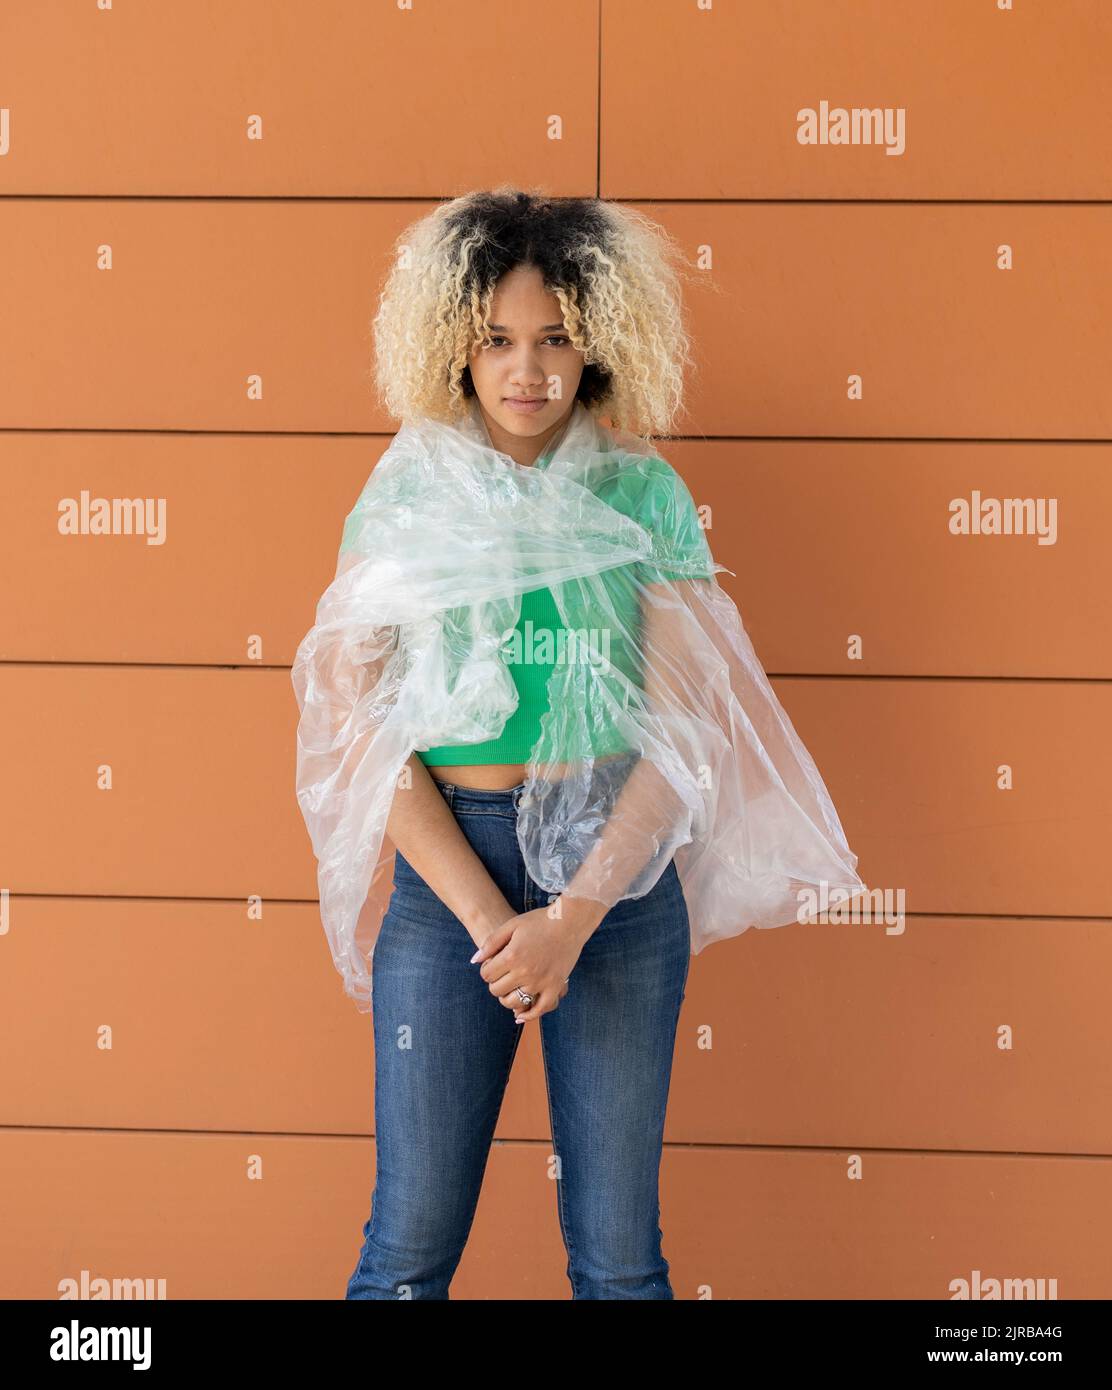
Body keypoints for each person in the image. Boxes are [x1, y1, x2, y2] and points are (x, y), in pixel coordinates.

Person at [291, 186, 866, 1299]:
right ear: (450, 347)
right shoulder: (406, 500)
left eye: (555, 337)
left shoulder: (644, 495)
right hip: (447, 883)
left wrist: (573, 919)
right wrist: (493, 921)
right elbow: (367, 738)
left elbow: (683, 730)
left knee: (616, 1260)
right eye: (497, 339)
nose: (527, 369)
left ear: (599, 338)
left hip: (615, 883)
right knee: (404, 1250)